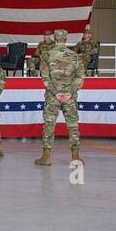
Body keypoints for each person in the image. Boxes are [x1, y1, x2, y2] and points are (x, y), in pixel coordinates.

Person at [36, 29, 84, 166]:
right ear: (66, 39)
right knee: (73, 126)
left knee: (49, 125)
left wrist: (56, 92)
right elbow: (80, 77)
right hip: (70, 96)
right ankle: (75, 157)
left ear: (55, 38)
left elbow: (45, 77)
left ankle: (46, 157)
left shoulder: (47, 54)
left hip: (53, 96)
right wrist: (70, 92)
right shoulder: (75, 56)